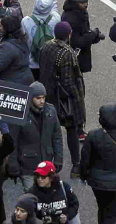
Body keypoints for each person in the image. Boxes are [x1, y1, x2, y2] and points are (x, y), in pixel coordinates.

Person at [35, 23, 86, 176]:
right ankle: (76, 165)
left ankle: (44, 163)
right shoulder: (67, 53)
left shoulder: (46, 46)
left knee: (46, 129)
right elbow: (69, 82)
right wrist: (78, 98)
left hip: (48, 93)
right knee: (71, 129)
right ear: (69, 34)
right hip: (64, 98)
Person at [78, 104, 116, 224]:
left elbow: (85, 159)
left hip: (98, 181)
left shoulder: (93, 135)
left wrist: (83, 176)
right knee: (112, 213)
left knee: (102, 207)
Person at [11, 82, 63, 178]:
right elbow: (13, 140)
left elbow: (57, 136)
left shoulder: (51, 111)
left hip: (46, 163)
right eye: (38, 98)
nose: (42, 101)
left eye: (43, 97)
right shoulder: (20, 113)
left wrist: (58, 159)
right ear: (30, 98)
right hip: (28, 166)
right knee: (32, 192)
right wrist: (13, 164)